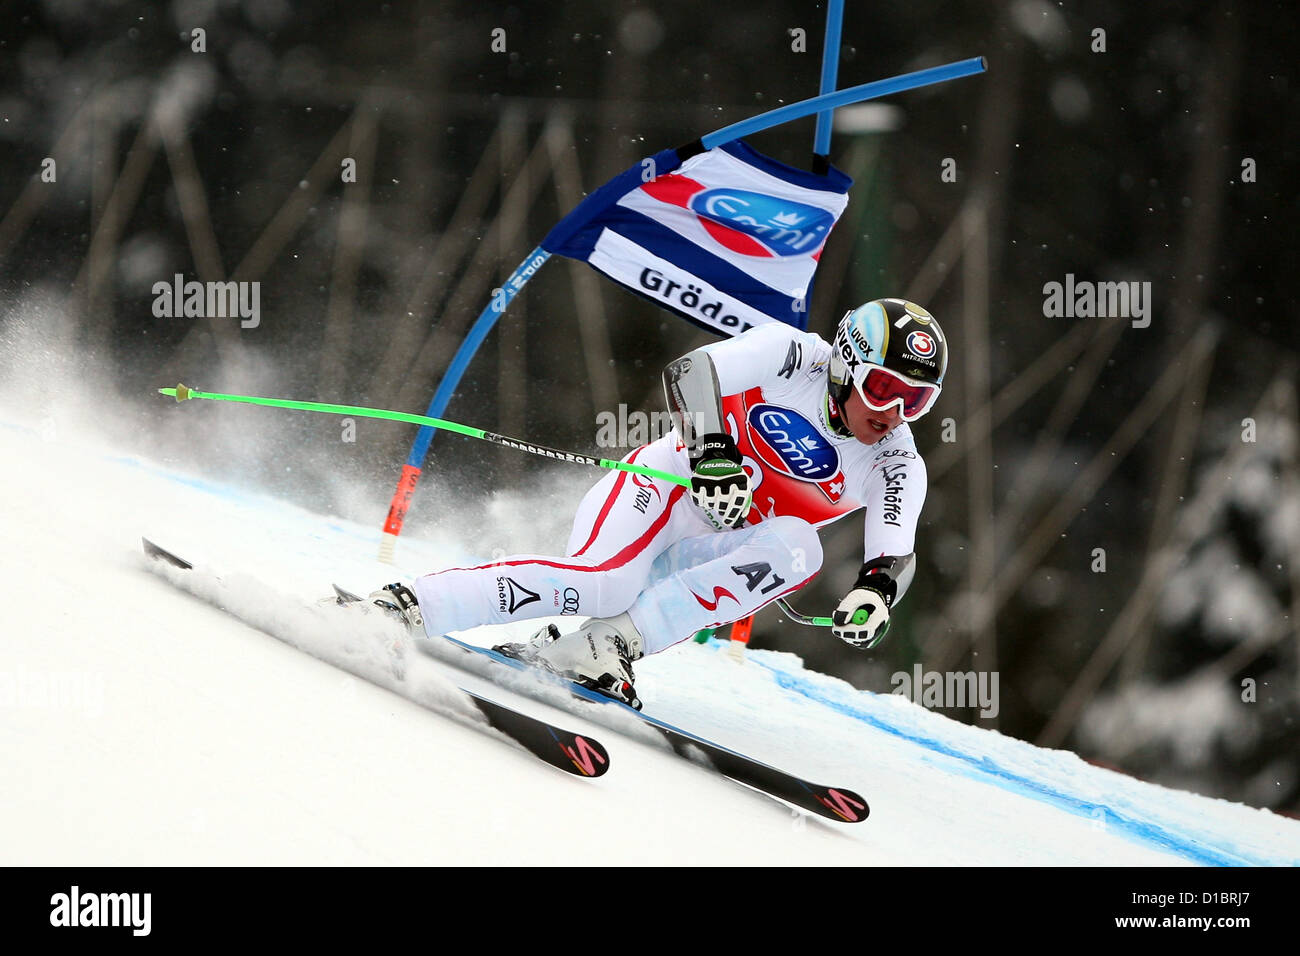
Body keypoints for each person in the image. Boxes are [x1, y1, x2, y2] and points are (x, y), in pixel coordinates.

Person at [372, 297, 947, 710]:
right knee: (606, 583)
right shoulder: (795, 356)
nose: (894, 412)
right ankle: (407, 604)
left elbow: (894, 552)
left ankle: (604, 645)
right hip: (661, 491)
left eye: (915, 400)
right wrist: (712, 455)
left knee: (801, 548)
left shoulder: (895, 460)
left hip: (709, 547)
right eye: (882, 389)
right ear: (847, 364)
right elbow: (693, 371)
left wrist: (875, 594)